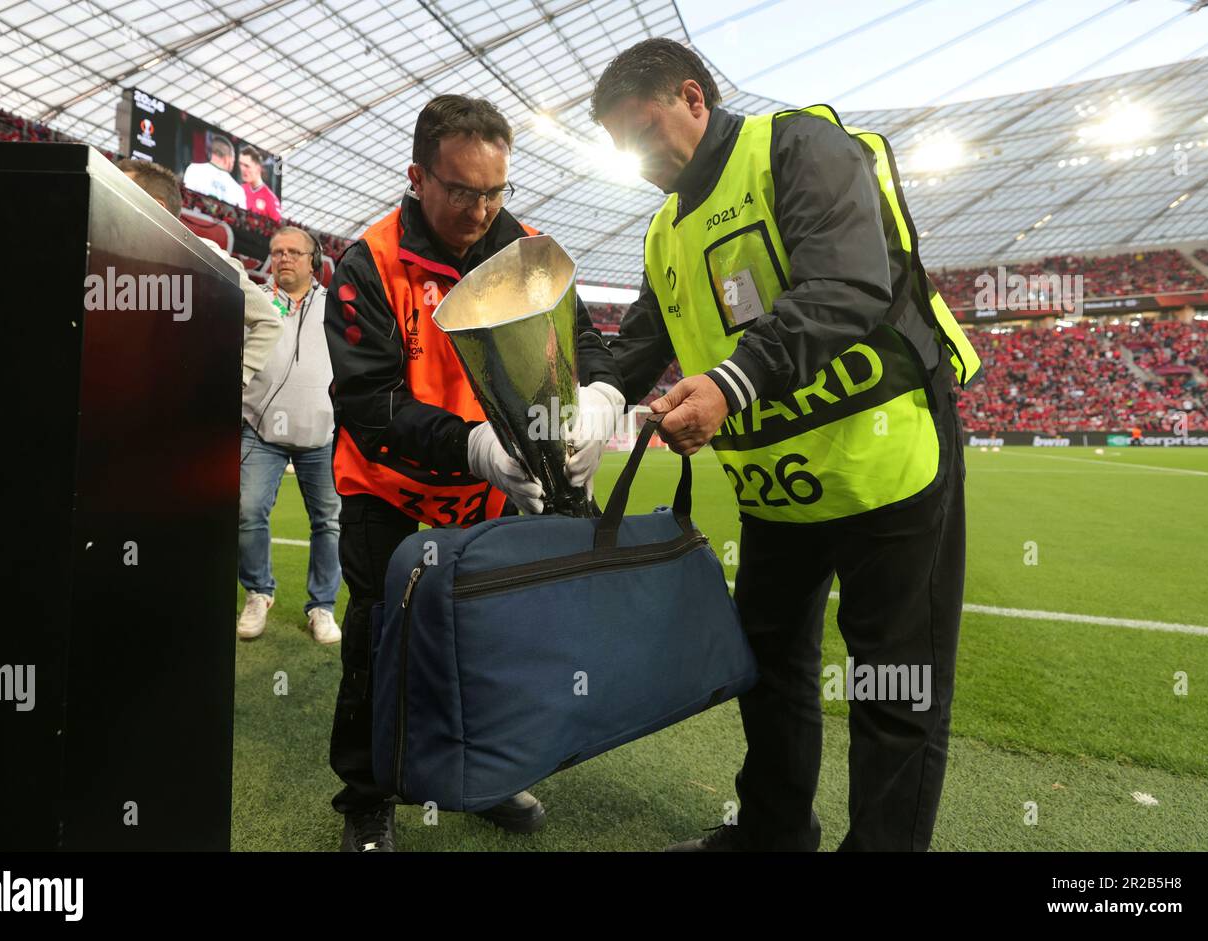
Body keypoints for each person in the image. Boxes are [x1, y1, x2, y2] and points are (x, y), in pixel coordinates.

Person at [590, 39, 982, 851]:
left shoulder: (795, 146)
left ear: (693, 98)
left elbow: (846, 283)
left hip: (889, 474)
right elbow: (631, 351)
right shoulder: (663, 232)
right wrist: (576, 406)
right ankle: (773, 832)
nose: (634, 159)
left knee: (892, 688)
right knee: (766, 666)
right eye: (619, 144)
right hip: (780, 493)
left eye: (642, 130)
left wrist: (731, 385)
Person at [323, 94, 624, 852]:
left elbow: (582, 338)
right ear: (419, 176)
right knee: (378, 635)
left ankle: (482, 772)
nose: (481, 209)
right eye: (462, 191)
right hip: (386, 483)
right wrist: (477, 446)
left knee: (490, 630)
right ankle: (367, 794)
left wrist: (597, 398)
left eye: (496, 191)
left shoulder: (523, 247)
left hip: (488, 488)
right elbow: (370, 403)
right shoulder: (369, 262)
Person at [237, 226, 341, 644]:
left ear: (313, 260)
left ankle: (322, 606)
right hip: (260, 428)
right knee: (246, 512)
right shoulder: (255, 300)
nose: (283, 259)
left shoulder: (335, 306)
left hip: (322, 432)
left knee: (329, 523)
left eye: (293, 252)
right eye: (276, 252)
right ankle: (259, 593)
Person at [117, 158, 281, 389]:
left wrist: (234, 380)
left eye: (118, 191)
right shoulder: (111, 250)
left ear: (157, 207)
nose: (109, 198)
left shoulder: (207, 259)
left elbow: (269, 320)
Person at [182, 135, 247, 208]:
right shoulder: (237, 190)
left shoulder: (193, 169)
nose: (233, 163)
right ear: (227, 158)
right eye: (233, 160)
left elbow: (186, 200)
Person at [239, 146, 282, 223]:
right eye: (241, 165)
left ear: (258, 168)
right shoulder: (239, 189)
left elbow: (276, 227)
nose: (242, 169)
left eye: (246, 166)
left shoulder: (271, 199)